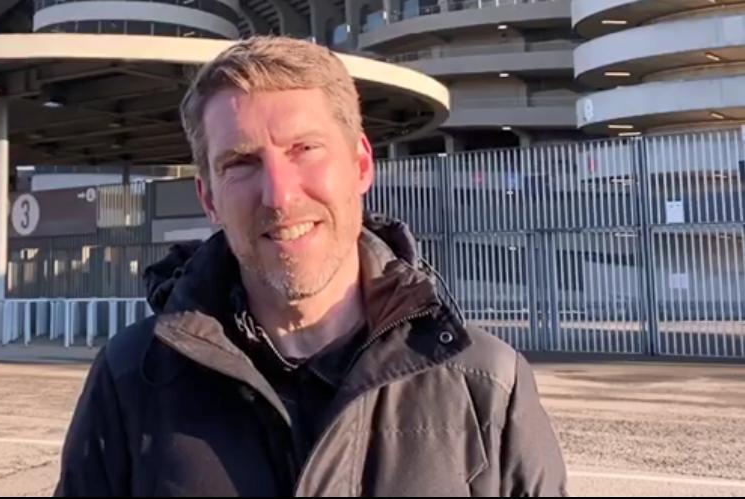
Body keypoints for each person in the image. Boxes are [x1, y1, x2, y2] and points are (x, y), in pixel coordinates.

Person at [55, 35, 567, 497]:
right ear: (208, 196)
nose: (279, 194)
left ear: (361, 164)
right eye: (242, 163)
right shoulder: (130, 378)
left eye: (304, 149)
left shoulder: (487, 385)